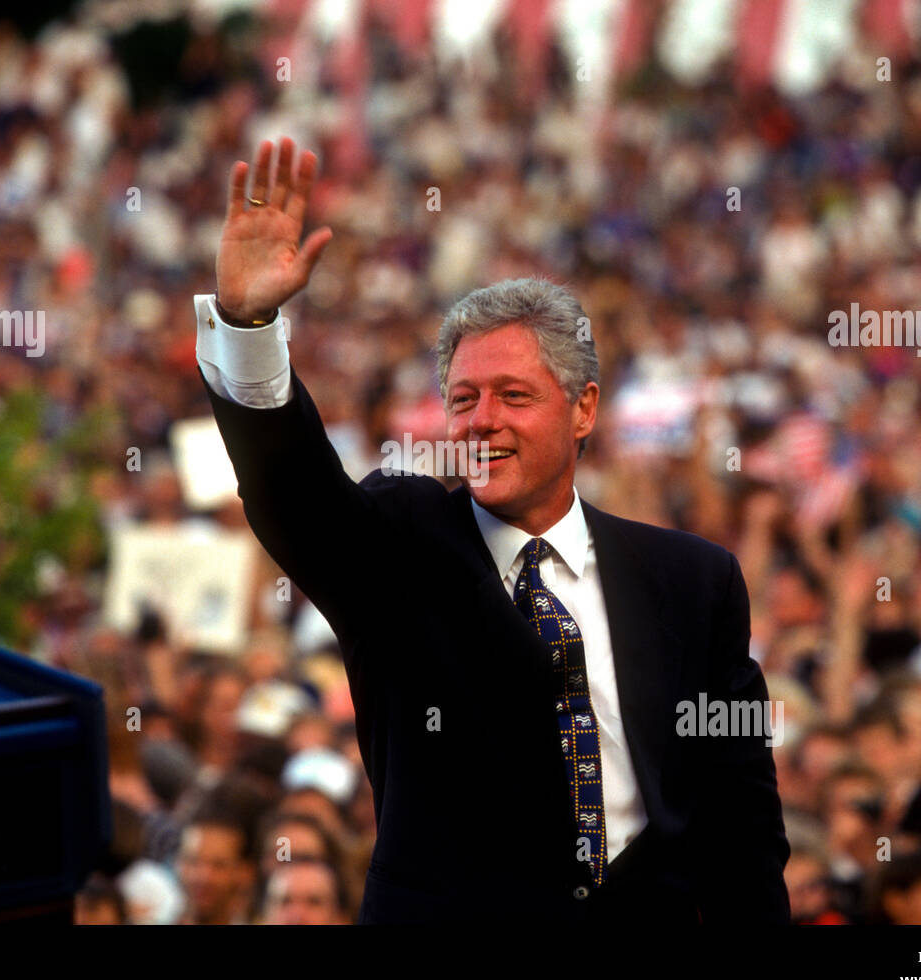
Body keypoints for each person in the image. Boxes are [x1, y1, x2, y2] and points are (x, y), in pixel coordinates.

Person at [190, 135, 790, 924]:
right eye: (464, 398)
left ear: (584, 408)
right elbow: (295, 496)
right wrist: (249, 321)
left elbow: (743, 818)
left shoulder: (693, 581)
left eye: (513, 394)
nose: (481, 420)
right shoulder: (403, 545)